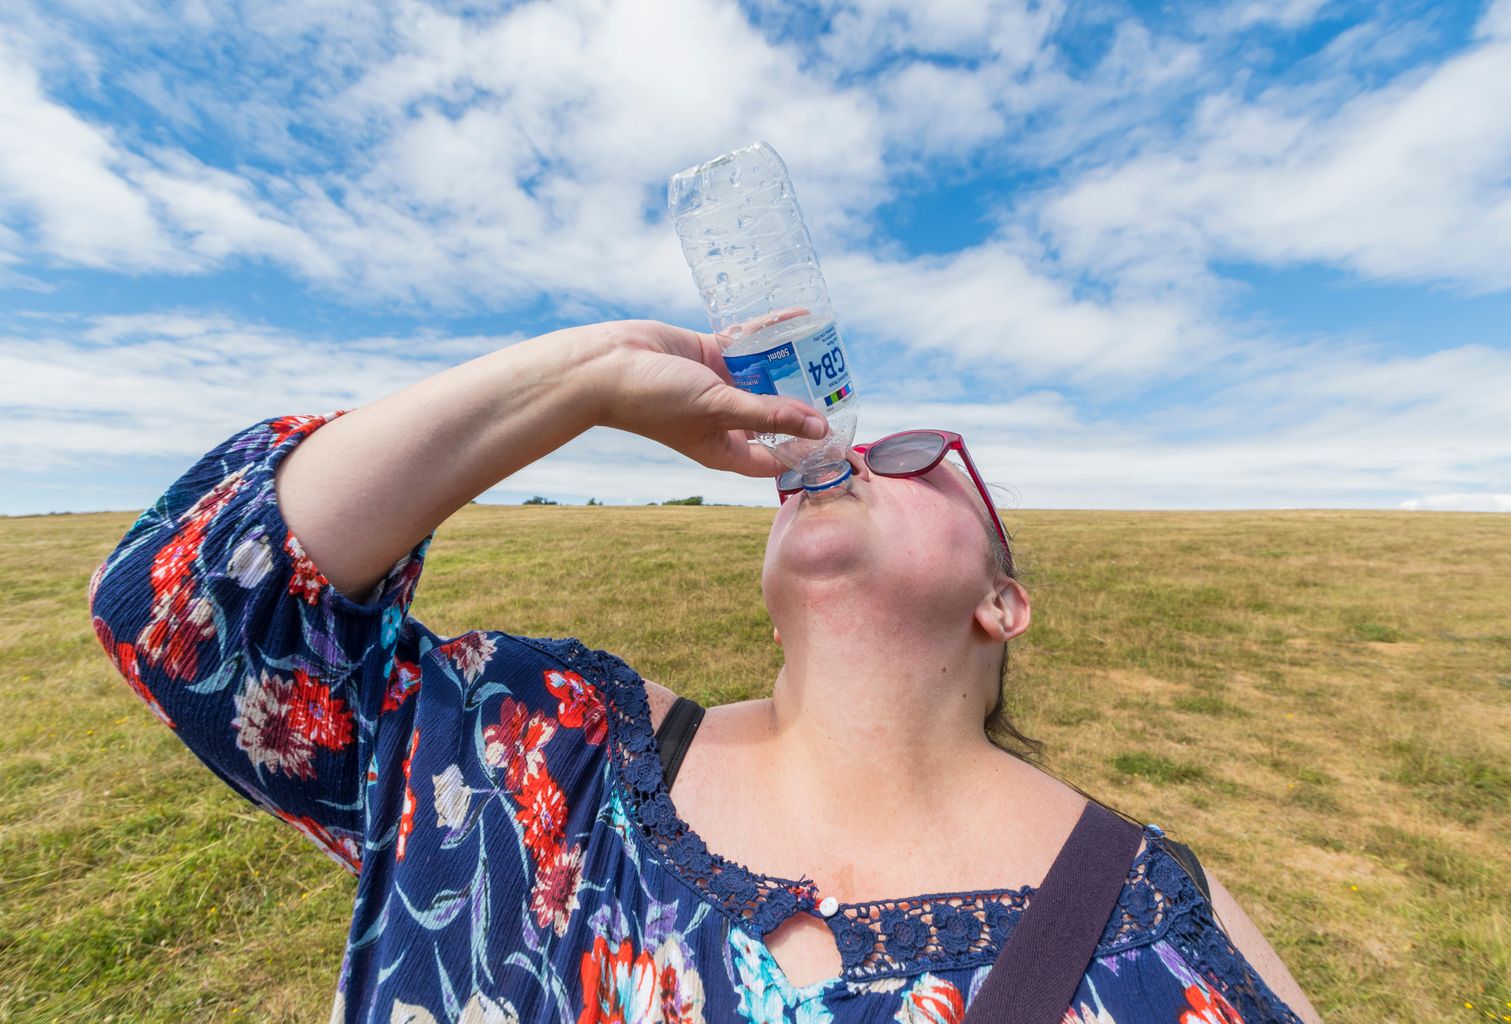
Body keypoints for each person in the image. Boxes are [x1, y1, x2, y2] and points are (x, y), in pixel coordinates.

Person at [89, 320, 1322, 1024]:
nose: (844, 456)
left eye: (909, 453)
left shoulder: (1161, 920)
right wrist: (585, 382)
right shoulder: (541, 750)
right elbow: (183, 608)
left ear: (1003, 601)